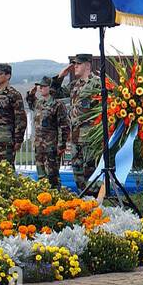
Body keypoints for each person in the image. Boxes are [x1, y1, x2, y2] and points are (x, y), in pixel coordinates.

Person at [62, 53, 104, 193]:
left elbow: (105, 106)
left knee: (90, 170)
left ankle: (94, 203)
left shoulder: (97, 82)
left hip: (89, 136)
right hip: (75, 136)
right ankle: (83, 201)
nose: (75, 67)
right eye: (74, 64)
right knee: (77, 171)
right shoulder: (75, 85)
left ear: (87, 65)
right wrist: (61, 76)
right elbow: (54, 93)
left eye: (78, 64)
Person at [27, 75, 70, 189]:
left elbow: (64, 126)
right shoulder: (39, 103)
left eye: (43, 86)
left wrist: (62, 145)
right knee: (41, 175)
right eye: (40, 86)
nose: (40, 88)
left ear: (50, 88)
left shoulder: (57, 104)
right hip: (39, 146)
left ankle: (57, 200)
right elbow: (31, 103)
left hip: (51, 146)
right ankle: (43, 199)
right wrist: (31, 94)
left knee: (53, 176)